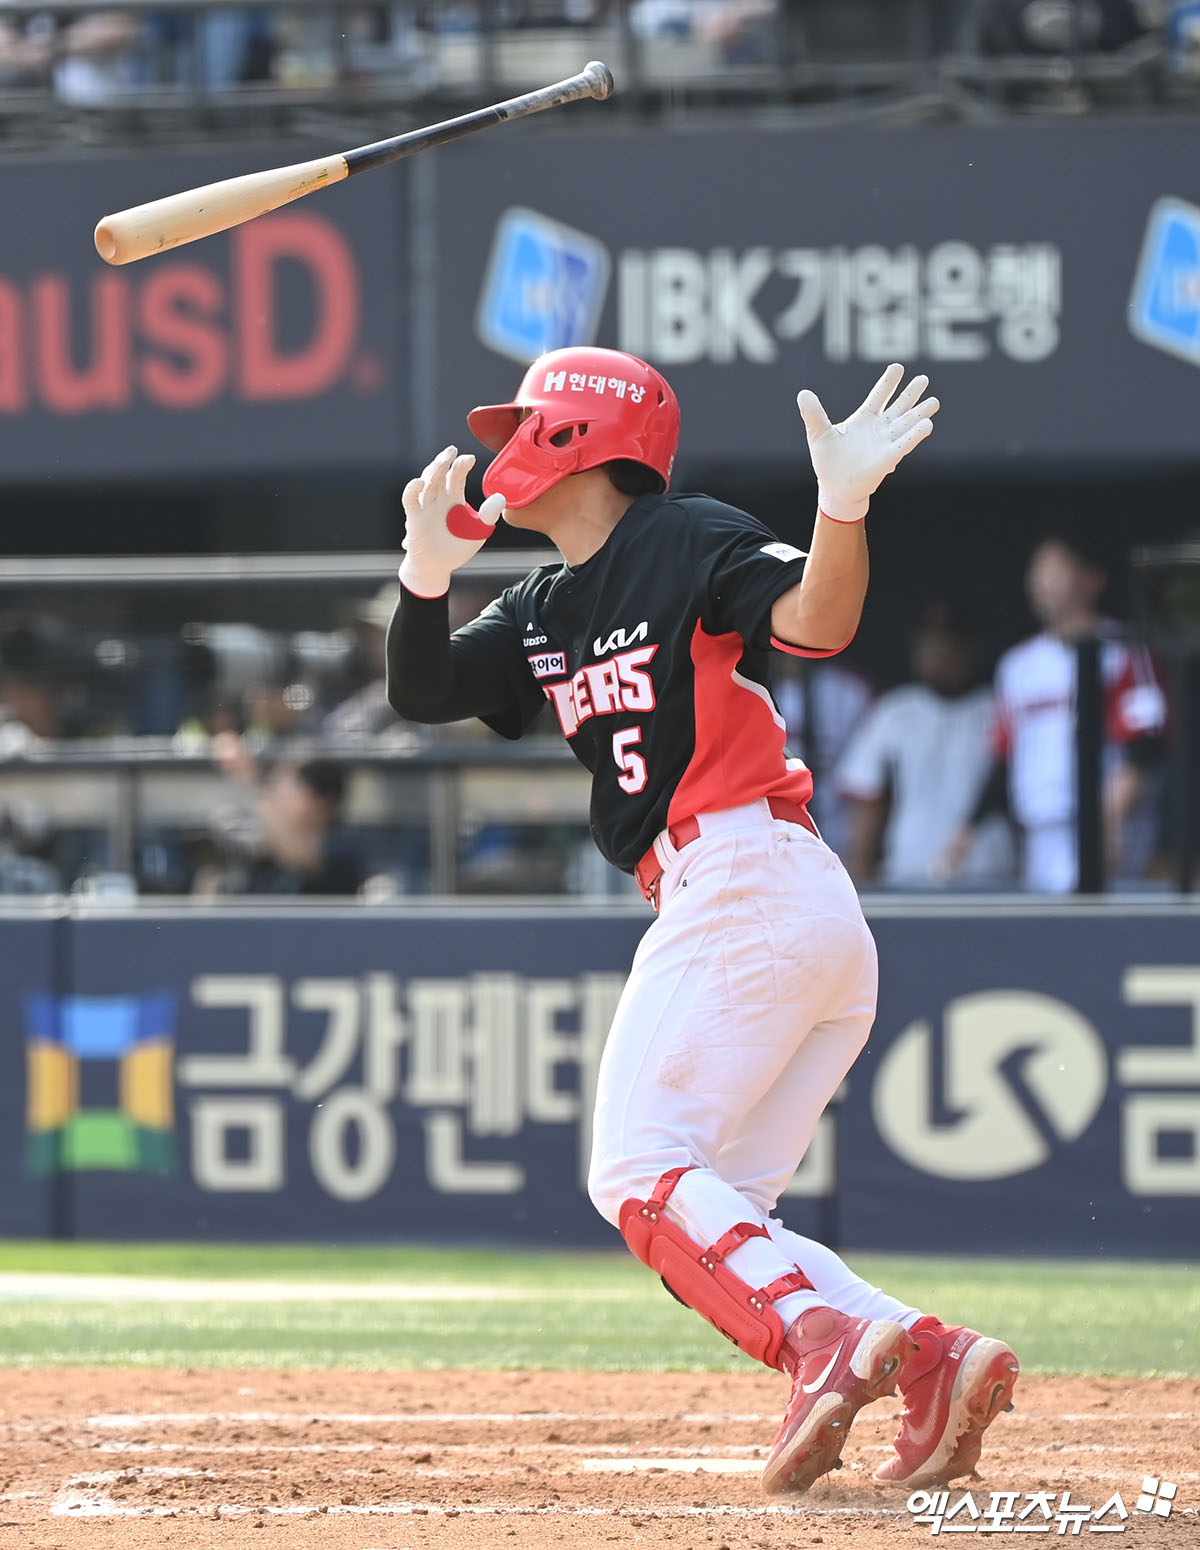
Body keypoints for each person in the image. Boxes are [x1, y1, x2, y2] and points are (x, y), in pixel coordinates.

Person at [385, 346, 1018, 1496]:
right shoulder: (541, 606)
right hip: (764, 901)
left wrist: (842, 506)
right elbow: (424, 692)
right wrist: (423, 580)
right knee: (725, 1204)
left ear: (582, 436)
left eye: (527, 422)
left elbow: (816, 625)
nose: (503, 445)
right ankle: (930, 1360)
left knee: (633, 1167)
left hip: (747, 879)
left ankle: (817, 1345)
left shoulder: (679, 536)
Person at [942, 536, 1167, 893]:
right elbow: (1006, 757)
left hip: (1107, 829)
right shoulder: (1018, 664)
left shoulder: (1123, 651)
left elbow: (1145, 743)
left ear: (1091, 579)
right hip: (1039, 830)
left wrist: (1110, 818)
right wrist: (966, 831)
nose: (1040, 581)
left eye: (1055, 568)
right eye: (1037, 570)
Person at [836, 602, 1012, 887]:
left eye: (947, 645)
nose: (936, 656)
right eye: (928, 646)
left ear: (970, 649)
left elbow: (1019, 797)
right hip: (909, 870)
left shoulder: (998, 709)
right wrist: (860, 872)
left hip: (989, 872)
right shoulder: (894, 711)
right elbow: (868, 799)